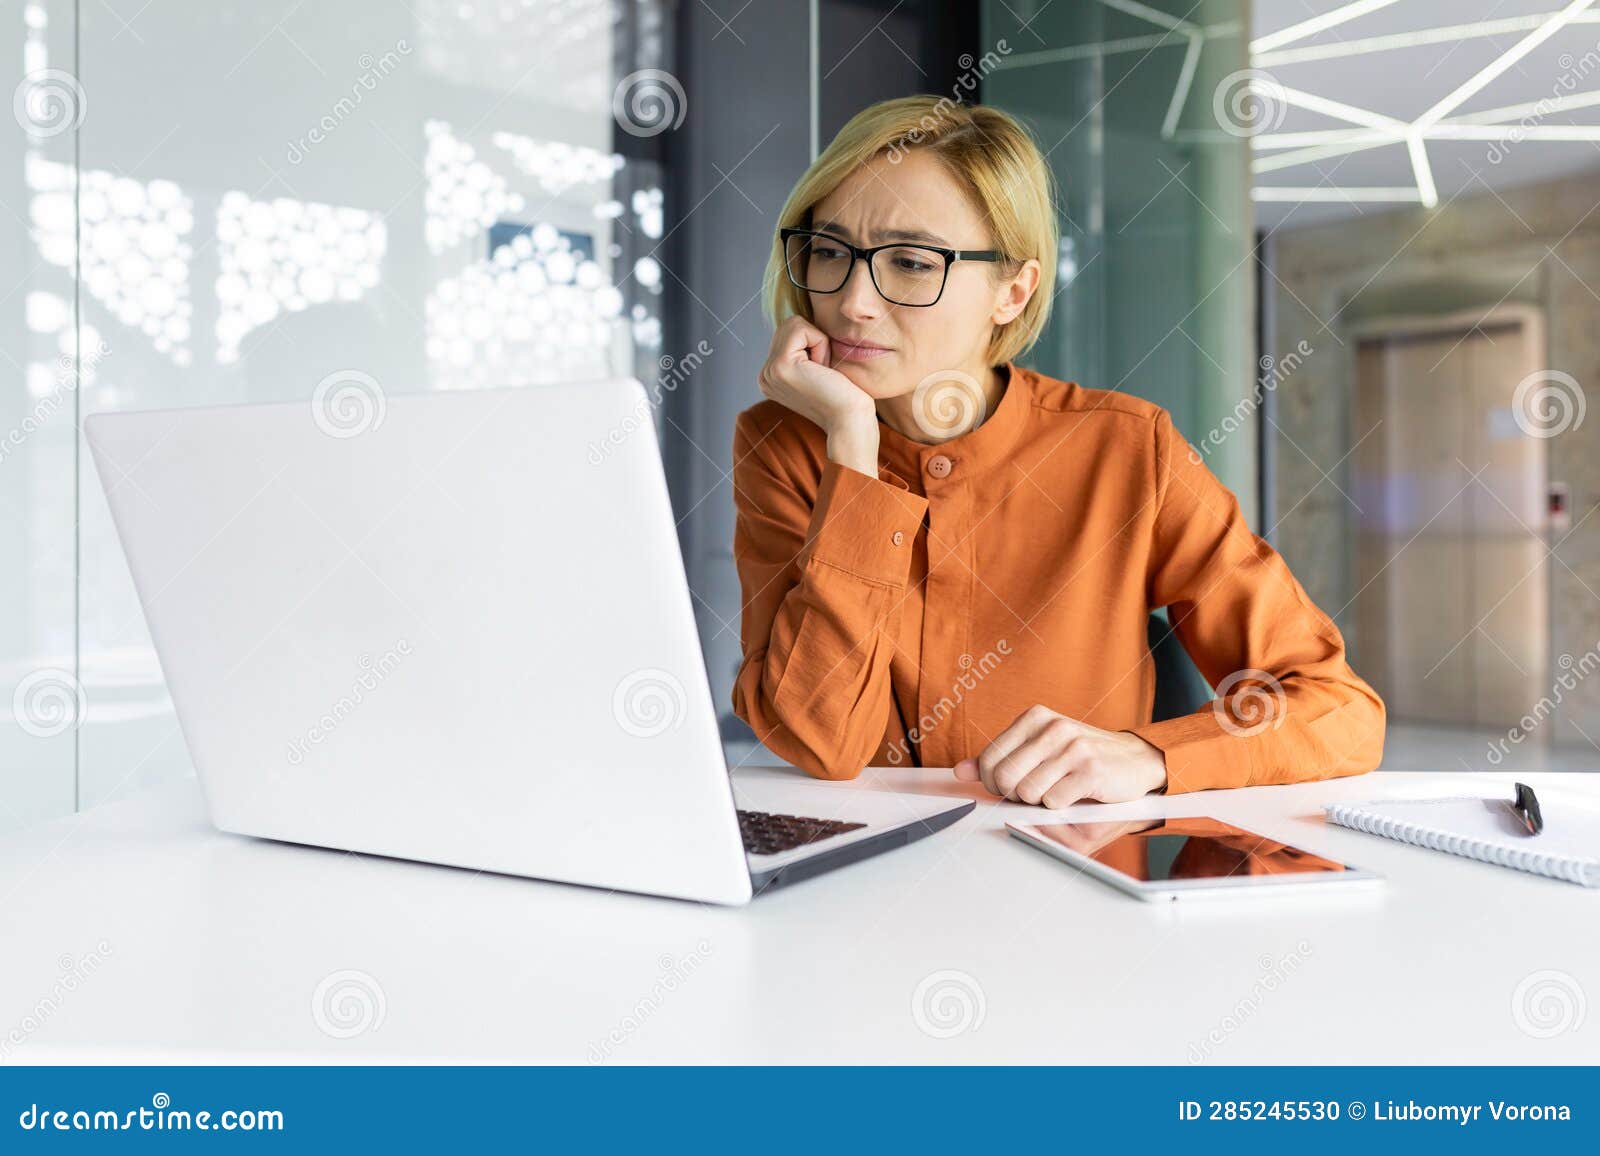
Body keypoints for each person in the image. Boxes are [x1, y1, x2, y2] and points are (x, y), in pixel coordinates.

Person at [730, 95, 1384, 807]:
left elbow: (1338, 710)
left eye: (912, 262)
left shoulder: (1127, 450)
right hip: (866, 868)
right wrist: (852, 449)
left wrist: (1151, 754)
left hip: (1074, 866)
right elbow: (819, 740)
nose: (853, 301)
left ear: (1012, 291)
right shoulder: (787, 447)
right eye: (830, 251)